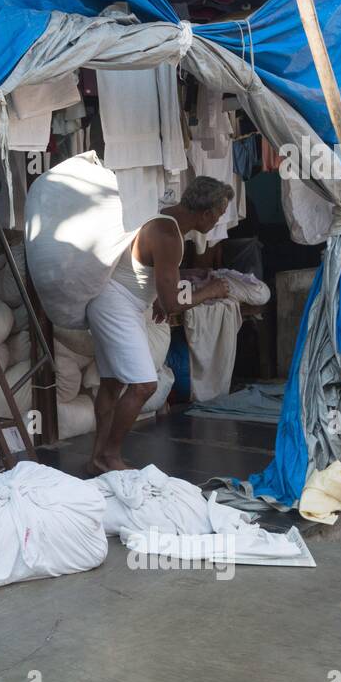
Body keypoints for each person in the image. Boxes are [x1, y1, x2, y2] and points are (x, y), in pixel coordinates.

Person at [87, 175, 234, 473]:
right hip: (117, 305)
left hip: (114, 300)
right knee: (144, 385)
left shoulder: (166, 220)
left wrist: (157, 297)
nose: (217, 222)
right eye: (218, 216)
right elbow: (171, 304)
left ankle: (98, 457)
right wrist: (210, 291)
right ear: (205, 214)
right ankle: (111, 456)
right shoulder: (169, 236)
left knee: (113, 382)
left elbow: (153, 279)